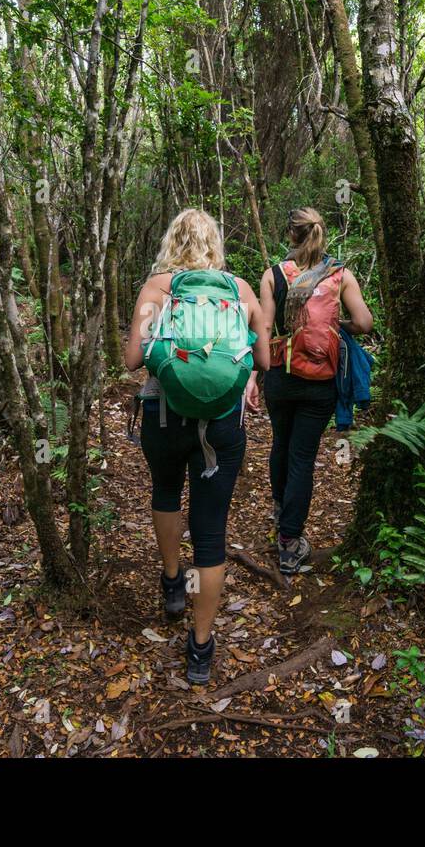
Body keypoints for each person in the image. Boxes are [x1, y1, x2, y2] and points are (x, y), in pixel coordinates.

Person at [124, 209, 270, 684]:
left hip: (163, 418)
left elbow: (131, 360)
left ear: (172, 241)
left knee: (166, 492)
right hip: (222, 427)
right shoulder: (240, 289)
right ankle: (201, 649)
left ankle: (171, 582)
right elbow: (264, 358)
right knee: (210, 532)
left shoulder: (158, 287)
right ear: (215, 244)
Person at [246, 207, 373, 574]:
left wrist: (253, 378)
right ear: (321, 235)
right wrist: (338, 324)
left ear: (291, 236)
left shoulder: (272, 275)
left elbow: (264, 329)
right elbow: (364, 323)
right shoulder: (340, 274)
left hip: (281, 378)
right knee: (302, 457)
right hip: (320, 383)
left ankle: (279, 510)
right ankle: (290, 543)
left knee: (280, 445)